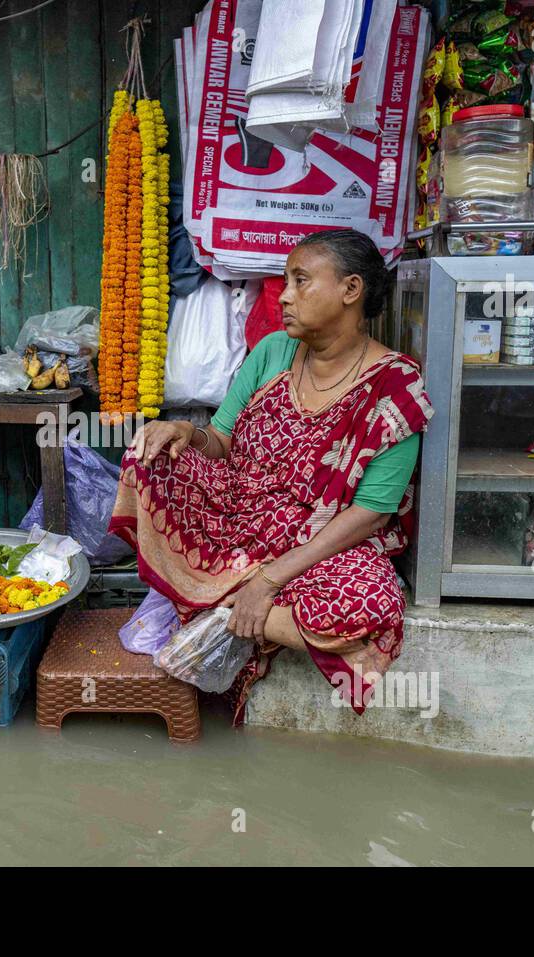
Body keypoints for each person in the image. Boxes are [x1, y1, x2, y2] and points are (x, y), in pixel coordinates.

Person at [108, 229, 433, 721]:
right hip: (238, 513)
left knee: (369, 600)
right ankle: (224, 600)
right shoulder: (273, 352)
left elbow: (370, 514)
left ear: (351, 290)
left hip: (321, 541)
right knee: (148, 458)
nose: (284, 295)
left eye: (301, 281)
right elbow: (220, 442)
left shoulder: (396, 383)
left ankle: (211, 603)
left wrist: (267, 582)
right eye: (285, 280)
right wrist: (182, 431)